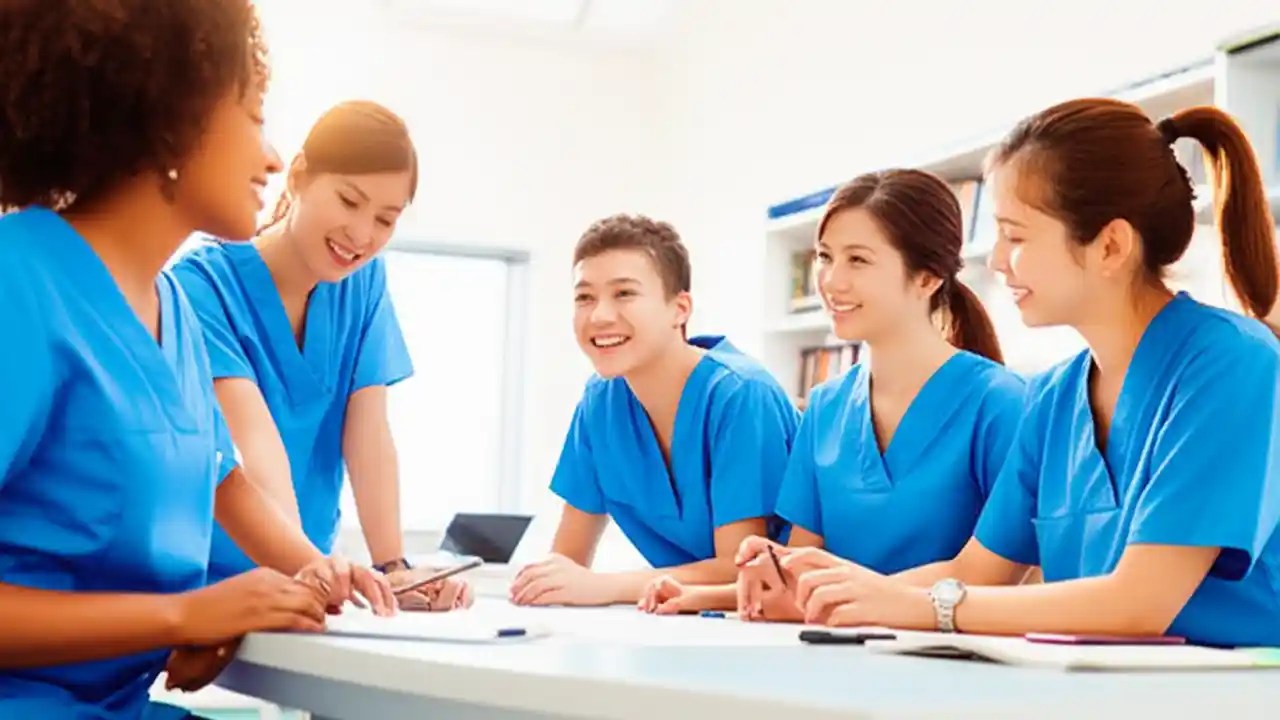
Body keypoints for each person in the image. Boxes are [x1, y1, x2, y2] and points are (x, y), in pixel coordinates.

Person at [764, 98, 1280, 648]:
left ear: (1110, 245)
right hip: (1093, 688)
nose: (996, 261)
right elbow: (976, 572)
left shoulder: (1232, 363)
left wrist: (918, 607)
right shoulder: (1056, 397)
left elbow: (1140, 602)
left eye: (1016, 235)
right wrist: (831, 591)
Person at [0, 2, 395, 716]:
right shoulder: (19, 283)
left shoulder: (173, 313)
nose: (274, 159)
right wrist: (183, 616)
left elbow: (224, 482)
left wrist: (316, 574)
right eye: (252, 117)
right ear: (168, 113)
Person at [644, 169, 1026, 618]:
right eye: (825, 257)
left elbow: (996, 573)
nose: (831, 281)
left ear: (927, 278)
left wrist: (850, 597)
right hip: (832, 648)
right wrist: (715, 592)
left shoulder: (1000, 403)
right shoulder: (826, 406)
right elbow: (803, 569)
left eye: (858, 260)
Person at [172, 101, 471, 612]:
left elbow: (368, 433)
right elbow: (253, 444)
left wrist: (392, 569)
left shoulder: (364, 284)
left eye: (385, 219)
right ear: (299, 177)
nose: (362, 235)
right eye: (349, 201)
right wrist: (310, 568)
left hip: (311, 572)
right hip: (219, 575)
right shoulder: (200, 285)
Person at [509, 214, 800, 607]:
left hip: (787, 616)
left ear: (679, 309)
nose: (599, 316)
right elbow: (567, 560)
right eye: (584, 297)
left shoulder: (739, 394)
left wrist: (605, 587)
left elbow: (740, 567)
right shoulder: (601, 402)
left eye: (624, 293)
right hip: (689, 620)